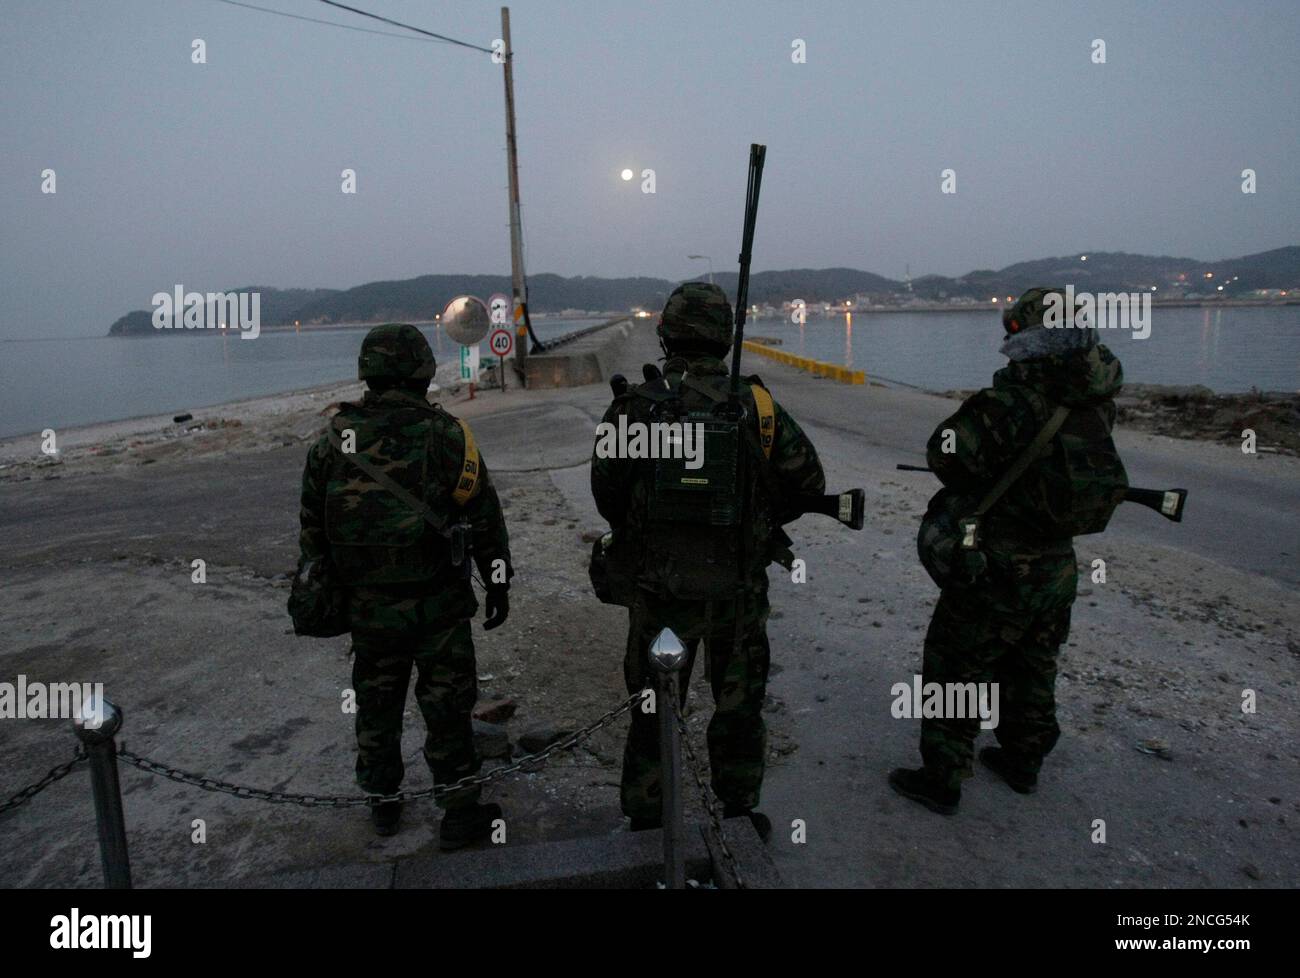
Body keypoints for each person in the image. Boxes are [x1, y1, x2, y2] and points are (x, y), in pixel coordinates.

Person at [591, 282, 825, 839]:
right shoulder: (757, 406)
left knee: (652, 706)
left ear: (666, 334)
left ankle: (648, 816)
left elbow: (607, 497)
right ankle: (740, 809)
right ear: (726, 339)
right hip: (737, 591)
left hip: (659, 592)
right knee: (740, 706)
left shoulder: (633, 408)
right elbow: (809, 482)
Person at [891, 287, 1127, 814]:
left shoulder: (1011, 401)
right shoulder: (1097, 400)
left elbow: (946, 455)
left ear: (1024, 337)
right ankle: (1023, 761)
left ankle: (943, 778)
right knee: (1034, 664)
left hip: (994, 563)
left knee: (956, 666)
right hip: (1056, 565)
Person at [297, 323, 512, 845]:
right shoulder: (448, 435)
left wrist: (333, 592)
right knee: (447, 708)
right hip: (439, 607)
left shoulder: (332, 439)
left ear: (367, 371)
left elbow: (313, 534)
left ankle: (383, 802)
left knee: (376, 705)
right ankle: (459, 811)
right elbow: (484, 518)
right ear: (422, 370)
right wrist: (499, 582)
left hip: (369, 612)